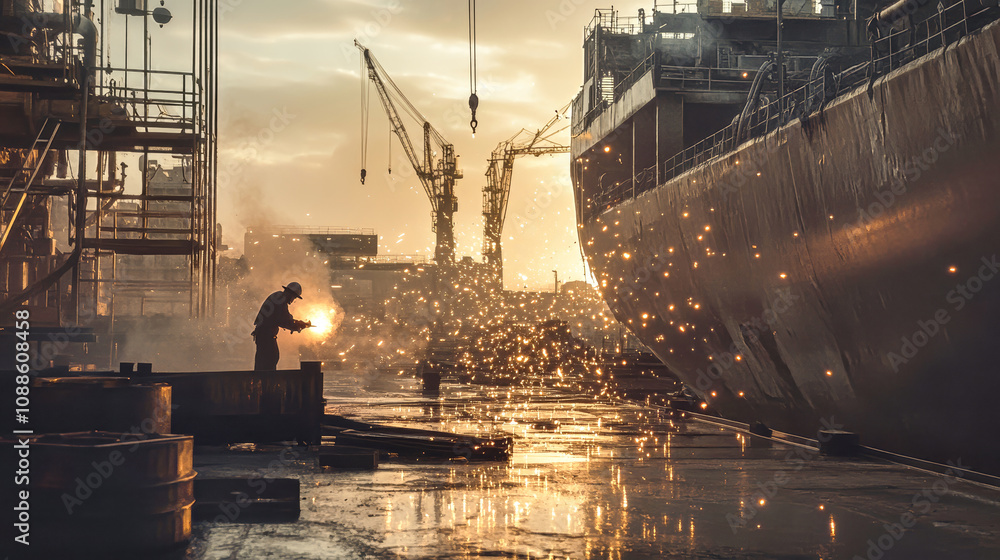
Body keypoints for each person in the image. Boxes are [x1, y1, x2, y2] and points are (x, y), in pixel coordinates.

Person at [251, 281, 310, 371]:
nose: (293, 300)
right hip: (266, 336)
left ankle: (262, 381)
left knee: (264, 361)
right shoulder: (280, 300)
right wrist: (300, 325)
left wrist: (298, 324)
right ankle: (266, 382)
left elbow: (283, 319)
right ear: (291, 294)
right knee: (270, 359)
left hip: (262, 335)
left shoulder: (278, 296)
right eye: (294, 297)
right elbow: (285, 320)